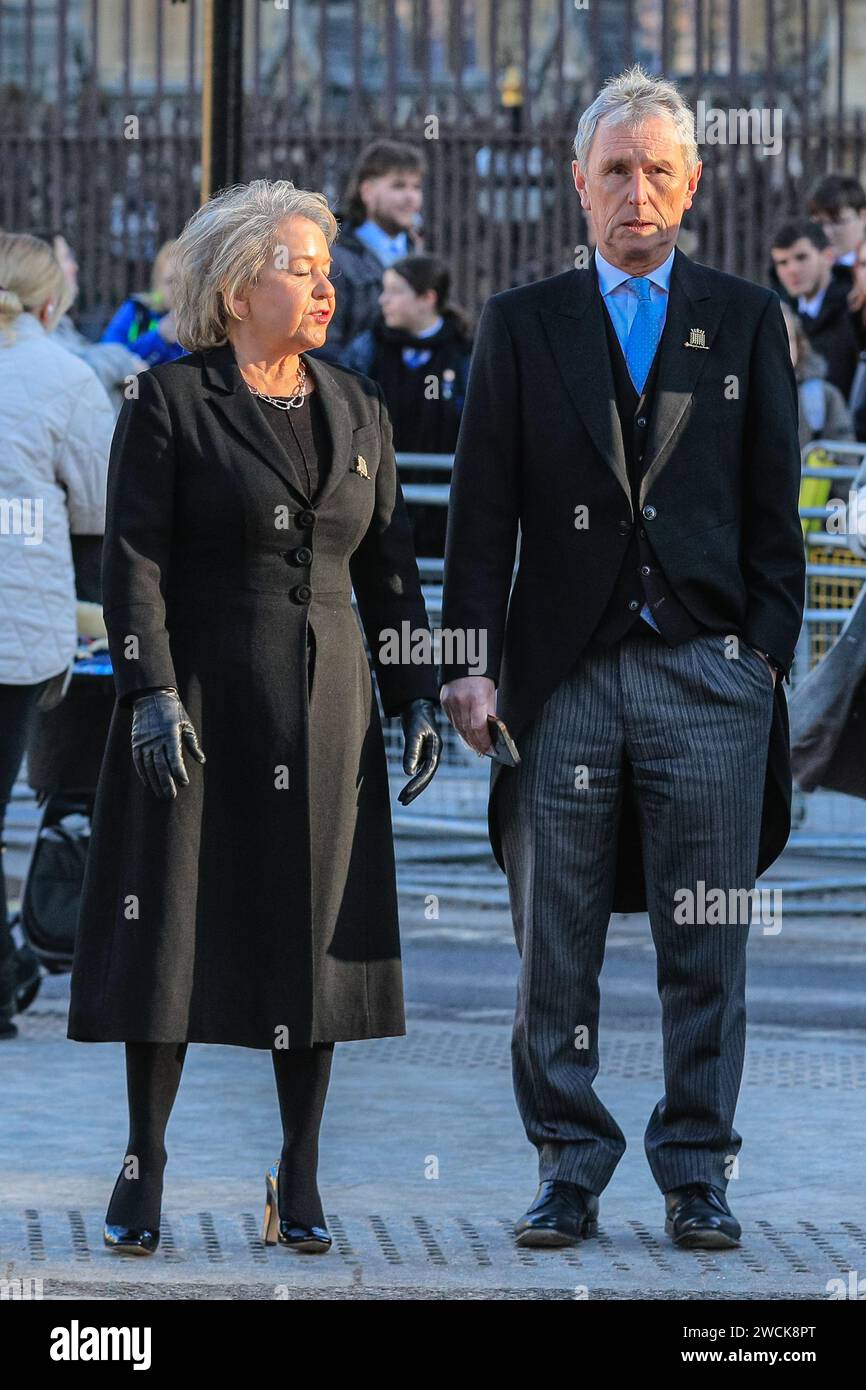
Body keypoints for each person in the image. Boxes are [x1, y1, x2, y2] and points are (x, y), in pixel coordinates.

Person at [440, 65, 805, 1251]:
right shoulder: (519, 321)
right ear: (577, 183)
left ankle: (696, 1169)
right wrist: (466, 664)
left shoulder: (746, 318)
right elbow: (478, 511)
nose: (634, 190)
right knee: (557, 946)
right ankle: (568, 1166)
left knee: (705, 943)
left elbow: (772, 519)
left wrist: (757, 660)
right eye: (613, 170)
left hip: (707, 676)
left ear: (691, 183)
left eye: (656, 169)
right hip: (562, 681)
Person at [66, 180, 442, 1257]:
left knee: (311, 942)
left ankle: (301, 1173)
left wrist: (413, 692)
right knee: (170, 931)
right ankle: (144, 1161)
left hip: (325, 713)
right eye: (299, 265)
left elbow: (390, 568)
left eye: (327, 267)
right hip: (197, 702)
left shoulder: (356, 402)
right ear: (235, 289)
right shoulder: (168, 400)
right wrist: (145, 692)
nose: (325, 284)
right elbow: (130, 557)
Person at [0, 233, 112, 1039]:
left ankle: (9, 971)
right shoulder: (64, 377)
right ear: (49, 303)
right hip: (19, 626)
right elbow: (100, 504)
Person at [342, 254, 474, 557]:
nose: (383, 300)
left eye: (396, 291)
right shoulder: (370, 347)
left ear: (427, 298)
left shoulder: (463, 353)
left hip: (444, 498)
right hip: (381, 493)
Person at [310, 140, 425, 364]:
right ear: (367, 191)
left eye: (416, 187)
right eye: (399, 186)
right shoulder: (334, 258)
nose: (411, 197)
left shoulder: (418, 253)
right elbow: (324, 349)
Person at [27, 227, 145, 412]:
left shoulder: (62, 325)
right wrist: (126, 362)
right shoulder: (37, 328)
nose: (75, 267)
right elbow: (78, 374)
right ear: (45, 271)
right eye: (66, 258)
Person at [770, 218, 864, 400]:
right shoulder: (776, 313)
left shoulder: (855, 309)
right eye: (782, 263)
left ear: (827, 257)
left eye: (801, 257)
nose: (792, 269)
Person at [780, 302, 853, 450]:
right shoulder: (735, 392)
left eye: (788, 339)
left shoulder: (824, 396)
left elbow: (847, 460)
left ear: (799, 344)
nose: (782, 349)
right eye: (769, 341)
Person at [100, 239, 183, 368]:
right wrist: (159, 337)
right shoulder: (137, 309)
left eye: (183, 281)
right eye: (170, 281)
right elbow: (107, 356)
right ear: (158, 283)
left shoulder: (205, 318)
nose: (176, 290)